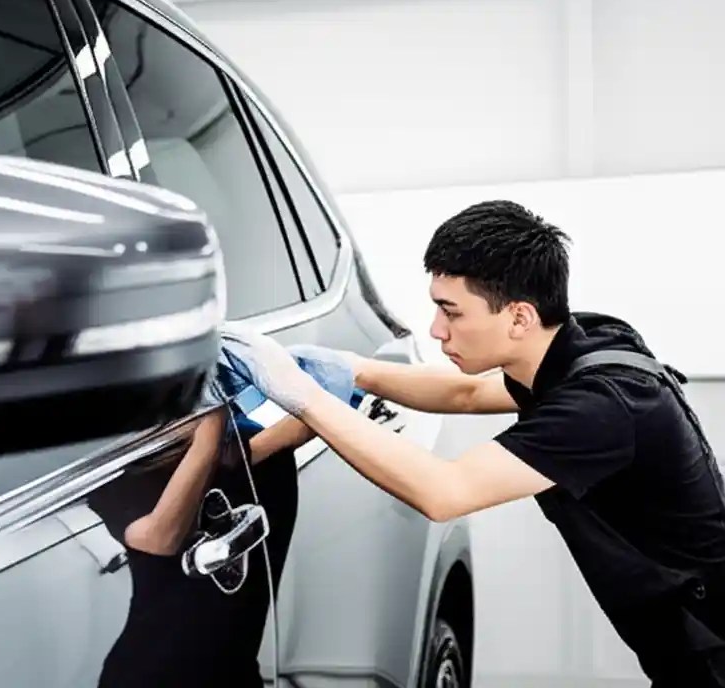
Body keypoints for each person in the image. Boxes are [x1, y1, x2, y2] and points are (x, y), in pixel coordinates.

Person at [222, 200, 725, 687]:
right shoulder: (580, 341)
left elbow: (445, 491)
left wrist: (302, 395)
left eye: (452, 312)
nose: (436, 330)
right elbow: (468, 393)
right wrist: (357, 370)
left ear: (520, 318)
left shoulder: (602, 406)